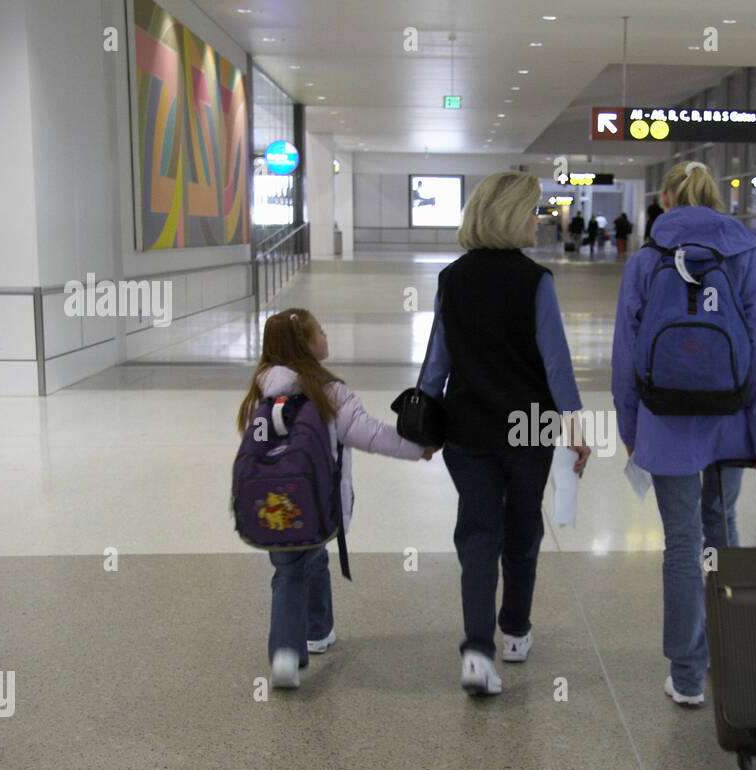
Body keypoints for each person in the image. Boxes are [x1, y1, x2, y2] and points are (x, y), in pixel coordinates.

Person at [612, 160, 756, 707]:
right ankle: (727, 658)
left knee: (682, 544)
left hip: (666, 421)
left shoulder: (646, 260)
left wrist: (630, 426)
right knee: (722, 529)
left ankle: (688, 677)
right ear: (717, 200)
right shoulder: (745, 255)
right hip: (731, 421)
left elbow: (625, 354)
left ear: (666, 200)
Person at [419, 172, 591, 696]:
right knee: (523, 528)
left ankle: (476, 651)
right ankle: (514, 630)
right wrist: (576, 425)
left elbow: (436, 362)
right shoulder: (535, 281)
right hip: (529, 425)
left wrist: (425, 425)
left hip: (467, 426)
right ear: (514, 216)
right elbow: (556, 362)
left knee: (476, 534)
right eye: (534, 211)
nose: (538, 220)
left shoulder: (453, 279)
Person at [237, 309, 434, 690]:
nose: (326, 336)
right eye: (320, 332)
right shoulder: (328, 392)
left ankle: (316, 630)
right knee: (305, 558)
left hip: (270, 510)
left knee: (293, 565)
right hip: (318, 505)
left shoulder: (258, 392)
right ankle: (286, 653)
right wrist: (417, 448)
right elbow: (371, 435)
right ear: (306, 345)